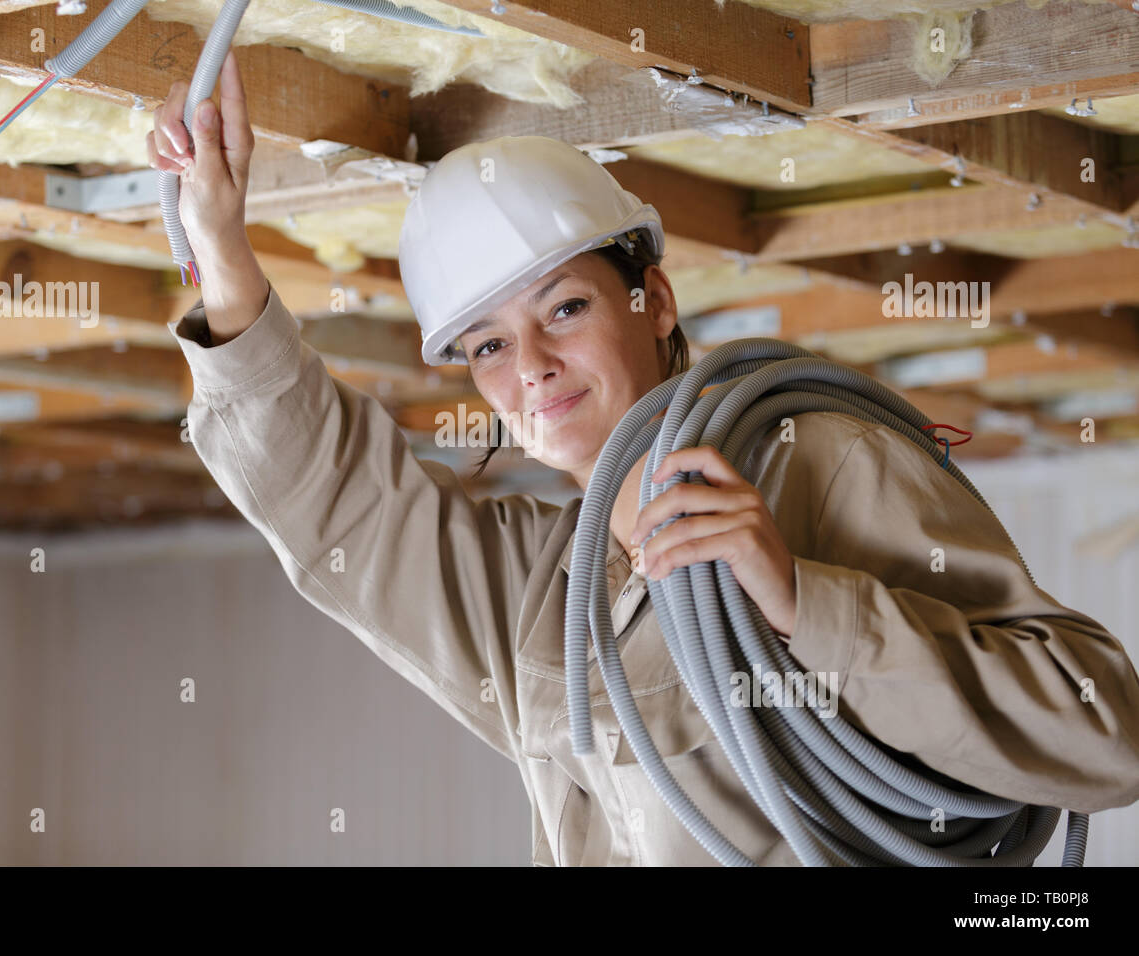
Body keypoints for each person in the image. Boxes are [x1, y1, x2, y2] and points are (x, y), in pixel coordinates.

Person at [150, 52, 1139, 865]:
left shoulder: (820, 464)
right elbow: (338, 504)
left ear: (653, 301)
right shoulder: (542, 596)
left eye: (565, 309)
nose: (531, 366)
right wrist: (223, 250)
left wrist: (802, 601)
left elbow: (1104, 735)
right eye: (489, 344)